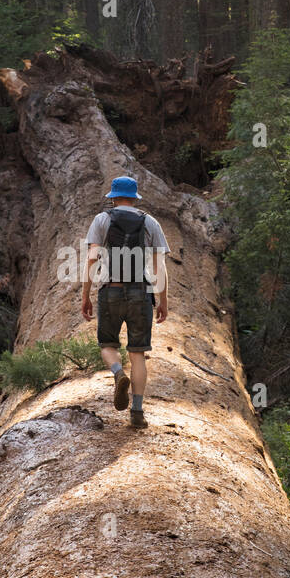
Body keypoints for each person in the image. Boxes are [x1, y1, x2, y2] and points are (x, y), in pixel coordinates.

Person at [81, 176, 169, 428]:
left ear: (112, 196)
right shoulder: (150, 222)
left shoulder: (102, 220)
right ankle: (138, 412)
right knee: (138, 354)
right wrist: (163, 300)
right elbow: (160, 265)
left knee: (107, 345)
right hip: (141, 293)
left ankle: (118, 373)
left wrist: (85, 295)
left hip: (110, 291)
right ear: (135, 197)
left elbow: (91, 259)